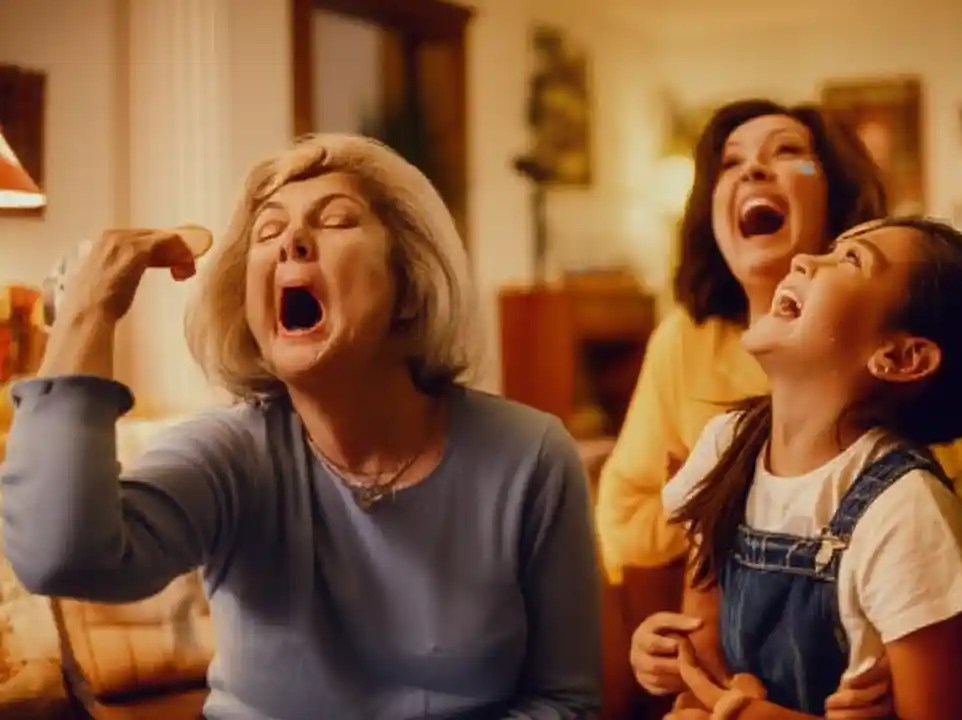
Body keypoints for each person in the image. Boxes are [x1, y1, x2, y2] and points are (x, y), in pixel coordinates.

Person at [1, 134, 601, 719]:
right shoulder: (228, 454)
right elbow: (62, 559)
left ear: (409, 289)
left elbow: (565, 700)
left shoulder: (530, 455)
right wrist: (89, 309)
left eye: (336, 220)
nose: (291, 241)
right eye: (268, 231)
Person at [614, 100, 962, 718]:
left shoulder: (905, 499)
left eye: (785, 152)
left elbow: (946, 569)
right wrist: (679, 666)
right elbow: (698, 629)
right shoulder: (726, 437)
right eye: (731, 162)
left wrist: (897, 654)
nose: (753, 171)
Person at [660, 218, 962, 719]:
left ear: (900, 357)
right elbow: (701, 645)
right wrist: (668, 660)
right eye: (833, 246)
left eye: (850, 260)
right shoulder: (727, 443)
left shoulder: (905, 510)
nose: (804, 259)